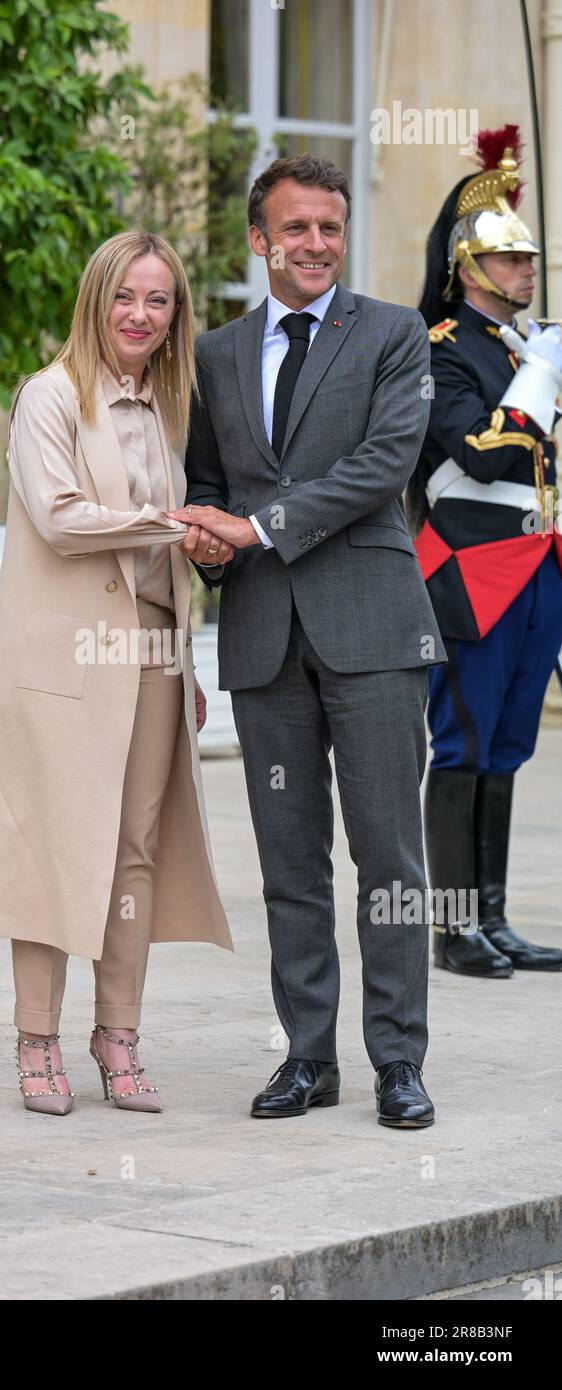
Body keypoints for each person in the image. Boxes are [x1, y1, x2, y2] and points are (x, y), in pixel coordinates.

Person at [169, 154, 444, 1129]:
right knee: (288, 863)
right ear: (259, 240)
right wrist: (208, 539)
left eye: (328, 227)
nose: (314, 244)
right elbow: (206, 479)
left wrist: (257, 527)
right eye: (295, 229)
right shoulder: (214, 353)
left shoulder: (394, 333)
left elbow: (381, 466)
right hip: (262, 640)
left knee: (388, 858)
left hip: (370, 631)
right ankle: (306, 1057)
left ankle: (397, 1060)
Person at [0, 231, 233, 1115]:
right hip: (63, 660)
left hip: (153, 653)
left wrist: (184, 661)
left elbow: (164, 567)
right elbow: (63, 517)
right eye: (126, 297)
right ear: (95, 299)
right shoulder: (49, 395)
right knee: (47, 843)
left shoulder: (171, 406)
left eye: (159, 301)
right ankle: (35, 1045)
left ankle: (118, 1038)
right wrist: (175, 521)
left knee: (135, 853)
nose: (141, 316)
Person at [407, 126, 562, 977]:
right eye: (509, 260)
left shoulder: (525, 346)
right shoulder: (443, 351)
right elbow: (480, 451)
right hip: (471, 568)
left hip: (540, 564)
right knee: (462, 743)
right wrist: (541, 380)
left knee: (509, 745)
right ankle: (452, 927)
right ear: (468, 268)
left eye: (531, 258)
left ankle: (494, 920)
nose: (526, 269)